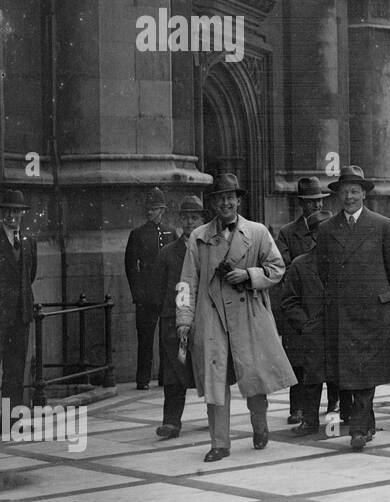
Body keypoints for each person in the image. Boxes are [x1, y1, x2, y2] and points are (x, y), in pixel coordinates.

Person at [176, 174, 297, 463]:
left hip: (249, 316)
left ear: (239, 201)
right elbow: (185, 282)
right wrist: (184, 319)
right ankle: (219, 443)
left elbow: (277, 267)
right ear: (214, 203)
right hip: (211, 317)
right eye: (220, 198)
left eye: (231, 197)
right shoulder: (199, 237)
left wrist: (249, 275)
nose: (226, 202)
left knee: (253, 377)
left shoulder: (257, 233)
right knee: (215, 379)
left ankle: (260, 425)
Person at [316, 165, 390, 451]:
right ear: (338, 196)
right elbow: (322, 270)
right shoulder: (326, 229)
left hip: (374, 311)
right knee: (349, 372)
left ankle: (358, 427)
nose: (349, 197)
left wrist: (386, 300)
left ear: (363, 195)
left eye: (354, 192)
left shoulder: (382, 225)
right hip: (342, 311)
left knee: (367, 370)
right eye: (344, 192)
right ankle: (363, 424)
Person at [275, 176, 331, 425]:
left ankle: (333, 406)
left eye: (318, 202)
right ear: (301, 204)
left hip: (322, 307)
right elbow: (283, 267)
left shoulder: (329, 226)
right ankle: (297, 408)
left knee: (327, 362)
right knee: (298, 363)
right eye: (310, 203)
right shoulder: (287, 233)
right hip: (300, 303)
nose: (315, 207)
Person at [152, 194, 207, 438]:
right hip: (174, 321)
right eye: (185, 217)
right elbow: (158, 290)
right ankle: (171, 422)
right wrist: (167, 317)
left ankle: (216, 417)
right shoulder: (167, 253)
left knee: (209, 370)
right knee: (174, 371)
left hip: (205, 319)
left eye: (194, 217)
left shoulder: (211, 249)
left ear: (202, 220)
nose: (189, 222)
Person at [0, 190, 37, 408]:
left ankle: (12, 418)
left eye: (18, 212)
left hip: (21, 314)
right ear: (2, 214)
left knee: (15, 369)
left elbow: (30, 274)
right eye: (10, 212)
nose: (14, 217)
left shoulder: (28, 242)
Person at [125, 187, 176, 389]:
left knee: (166, 338)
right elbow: (130, 266)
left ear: (162, 210)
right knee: (145, 338)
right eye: (148, 208)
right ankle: (143, 379)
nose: (150, 212)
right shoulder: (137, 234)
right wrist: (137, 293)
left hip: (165, 294)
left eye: (154, 209)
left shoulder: (171, 233)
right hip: (146, 296)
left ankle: (165, 377)